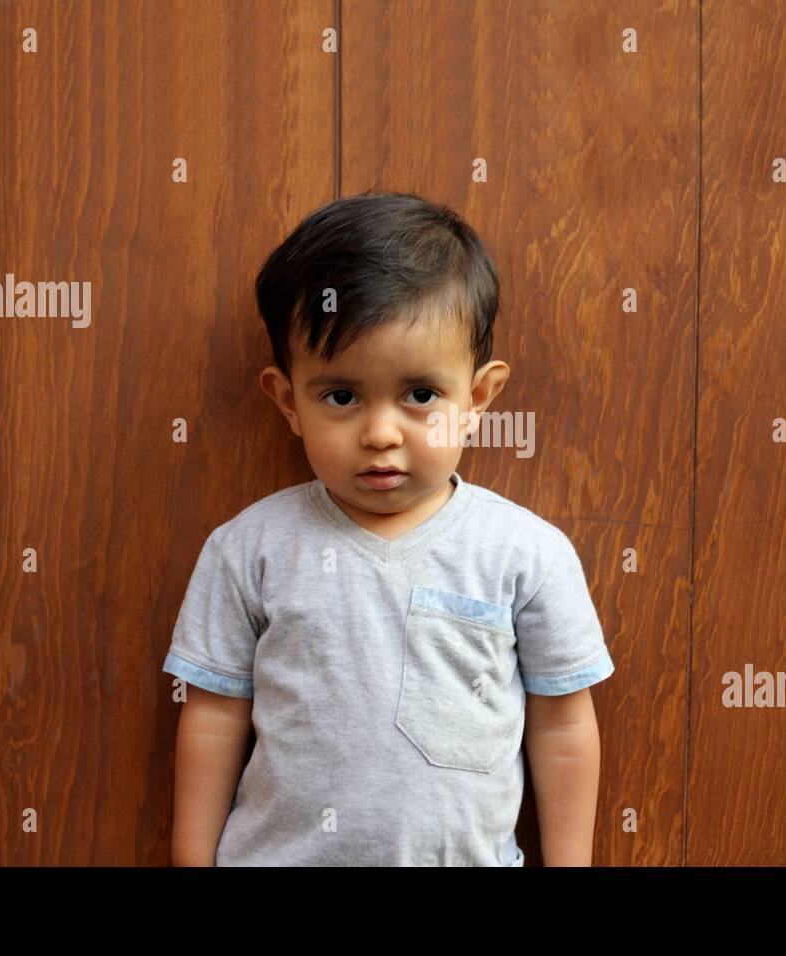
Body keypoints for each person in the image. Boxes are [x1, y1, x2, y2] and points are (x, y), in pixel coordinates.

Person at [163, 191, 615, 866]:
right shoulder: (249, 550)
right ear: (288, 401)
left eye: (421, 395)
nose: (380, 434)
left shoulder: (525, 554)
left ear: (478, 399)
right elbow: (214, 715)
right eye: (341, 396)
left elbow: (562, 726)